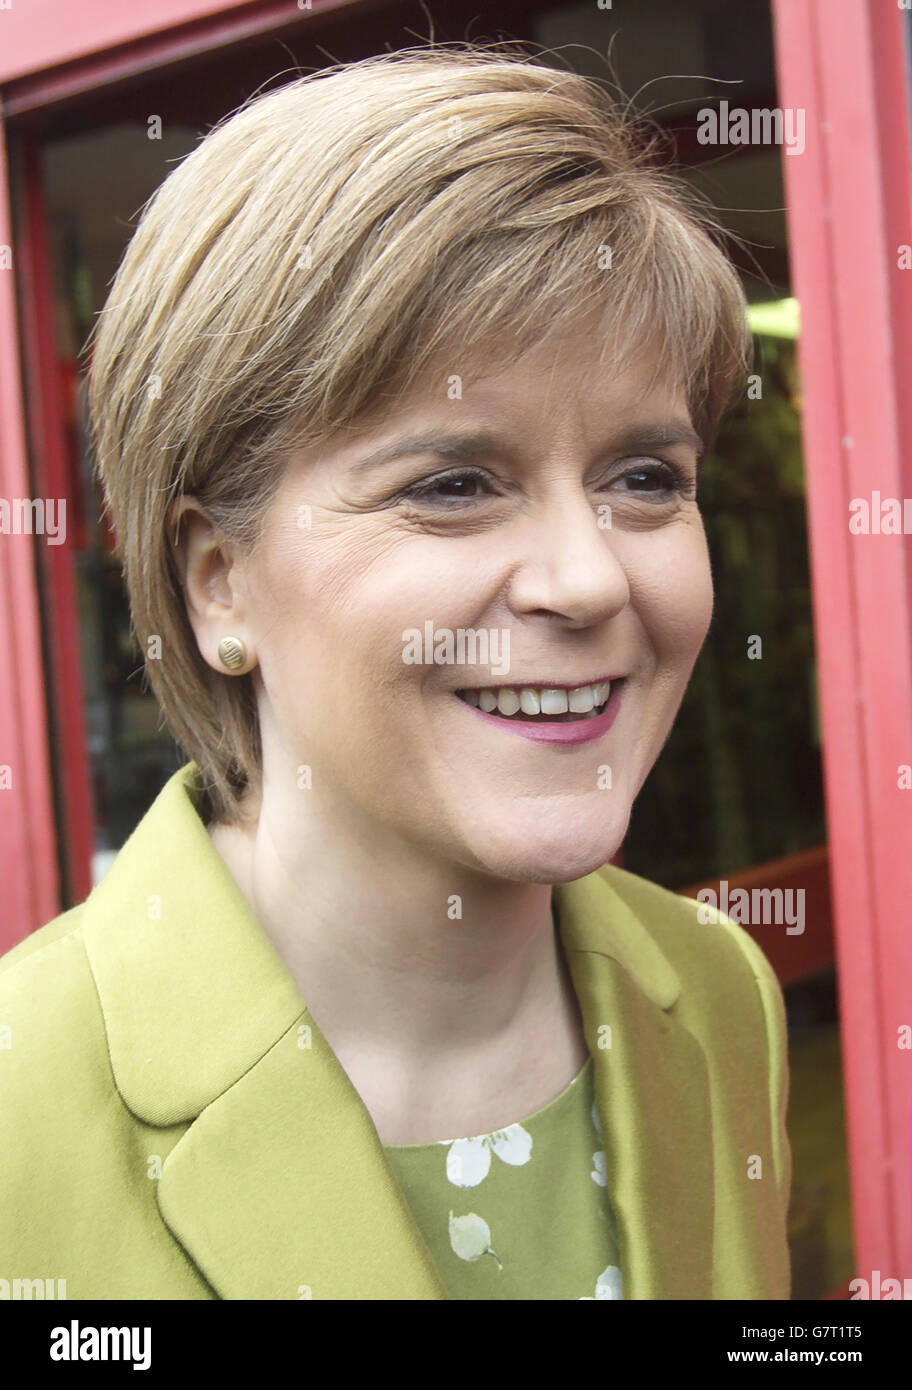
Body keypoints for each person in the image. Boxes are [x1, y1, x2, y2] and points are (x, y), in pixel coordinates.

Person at [0, 45, 790, 1300]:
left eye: (646, 477)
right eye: (454, 485)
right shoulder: (17, 1102)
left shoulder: (714, 987)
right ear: (218, 583)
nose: (587, 581)